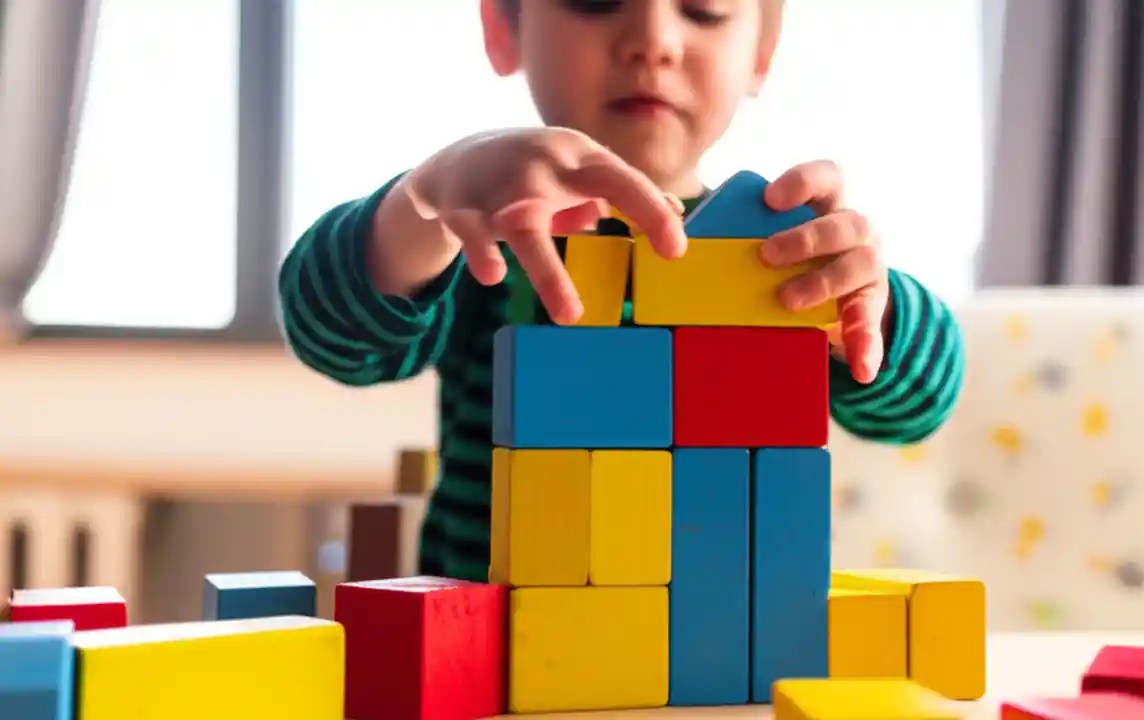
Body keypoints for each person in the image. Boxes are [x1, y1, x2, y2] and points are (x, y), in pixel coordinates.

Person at [277, 0, 965, 583]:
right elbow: (335, 339)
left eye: (704, 7)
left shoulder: (778, 259)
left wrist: (864, 313)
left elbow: (917, 407)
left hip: (710, 661)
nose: (654, 41)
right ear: (503, 26)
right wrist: (422, 203)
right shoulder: (484, 234)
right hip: (488, 666)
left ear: (762, 51)